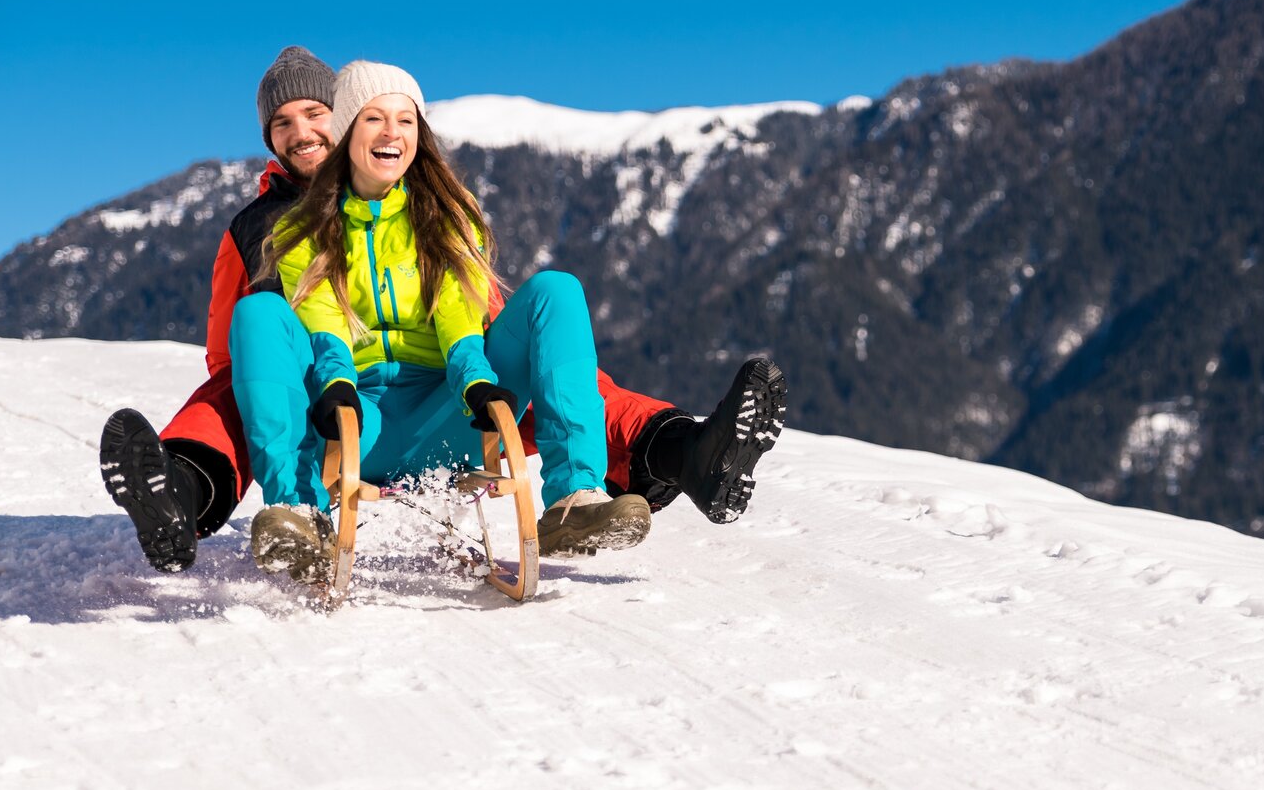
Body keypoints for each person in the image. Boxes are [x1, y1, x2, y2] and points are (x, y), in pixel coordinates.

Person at [100, 47, 786, 571]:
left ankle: (684, 453)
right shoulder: (260, 226)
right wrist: (302, 377)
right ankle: (179, 490)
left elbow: (473, 313)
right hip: (319, 397)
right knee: (243, 370)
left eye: (315, 114)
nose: (301, 132)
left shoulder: (432, 210)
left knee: (561, 350)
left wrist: (481, 373)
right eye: (282, 124)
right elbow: (230, 359)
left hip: (444, 393)